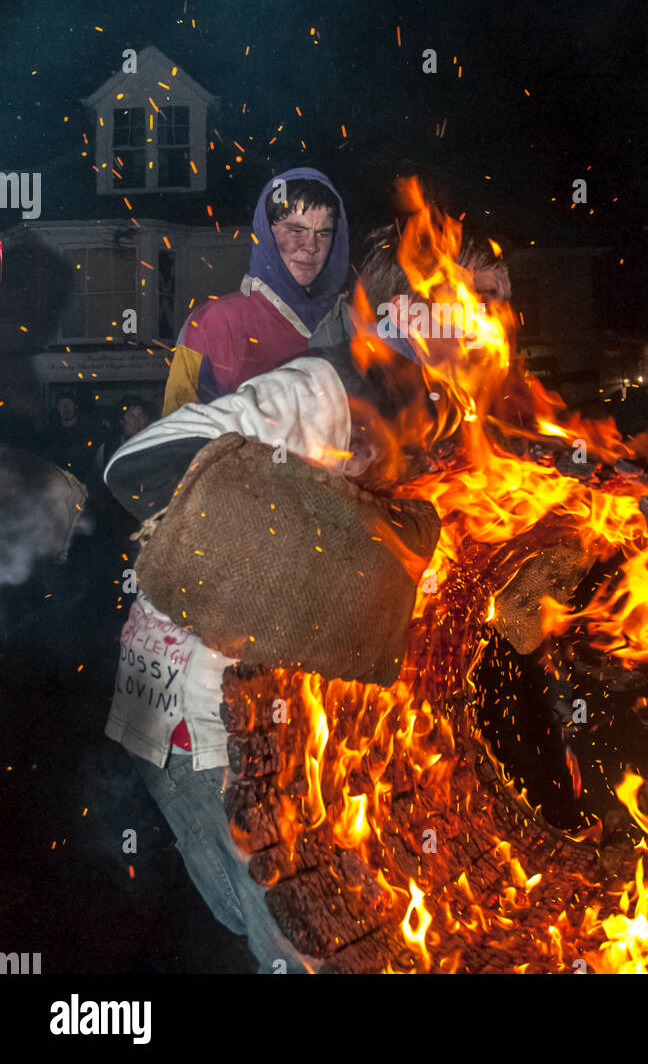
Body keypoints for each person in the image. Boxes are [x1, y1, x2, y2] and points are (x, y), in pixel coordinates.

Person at [101, 213, 501, 973]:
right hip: (198, 718)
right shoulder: (321, 387)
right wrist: (304, 490)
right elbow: (143, 462)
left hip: (281, 721)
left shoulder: (430, 406)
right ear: (408, 312)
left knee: (319, 932)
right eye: (478, 299)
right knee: (295, 946)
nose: (496, 320)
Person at [162, 168, 349, 415]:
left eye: (323, 233)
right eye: (296, 231)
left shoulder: (351, 321)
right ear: (267, 234)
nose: (311, 246)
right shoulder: (214, 323)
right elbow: (177, 431)